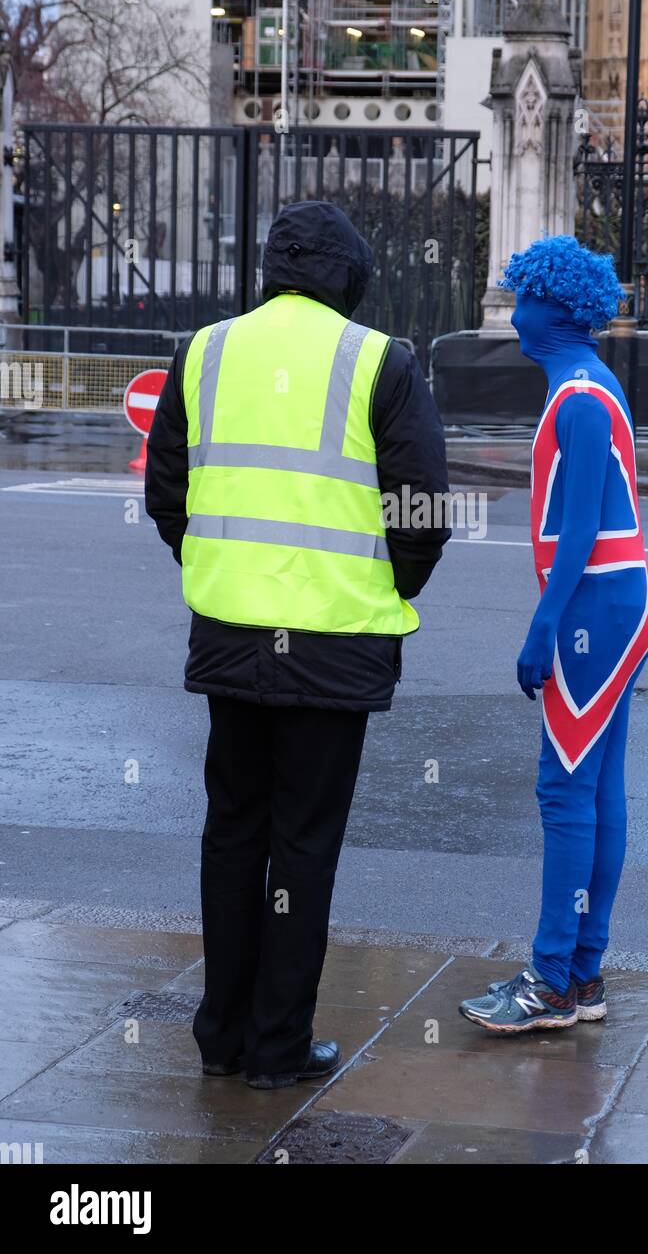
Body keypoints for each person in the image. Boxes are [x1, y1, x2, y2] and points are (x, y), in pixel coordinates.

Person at [145, 200, 449, 1087]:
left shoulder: (203, 351)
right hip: (334, 642)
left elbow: (171, 492)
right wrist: (392, 583)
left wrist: (216, 567)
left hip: (230, 636)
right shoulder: (379, 361)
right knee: (302, 847)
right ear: (351, 278)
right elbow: (421, 506)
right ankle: (279, 1047)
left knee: (231, 833)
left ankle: (221, 1037)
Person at [459, 236, 648, 1033]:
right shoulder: (593, 384)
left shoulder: (577, 395)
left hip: (592, 613)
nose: (516, 310)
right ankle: (582, 974)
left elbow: (577, 529)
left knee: (566, 790)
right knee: (598, 785)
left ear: (558, 307)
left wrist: (542, 628)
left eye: (525, 296)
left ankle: (549, 980)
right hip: (622, 605)